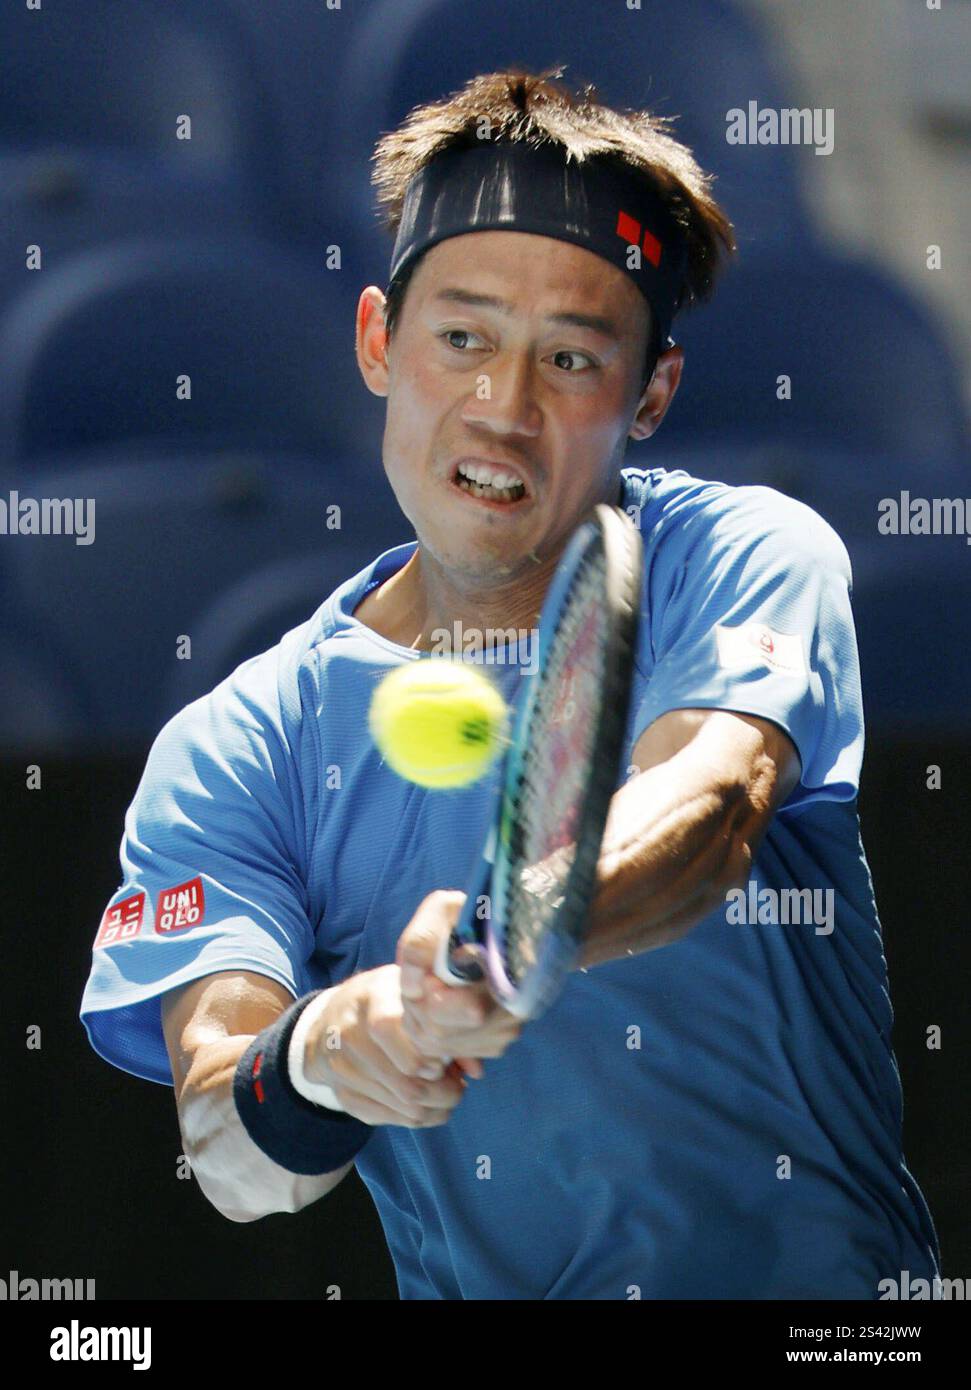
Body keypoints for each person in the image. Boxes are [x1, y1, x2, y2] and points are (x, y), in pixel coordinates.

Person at [80, 68, 940, 1300]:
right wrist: (331, 1053)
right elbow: (230, 1156)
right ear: (378, 340)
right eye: (463, 339)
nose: (502, 411)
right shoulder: (237, 745)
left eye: (572, 360)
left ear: (651, 394)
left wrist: (509, 935)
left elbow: (710, 805)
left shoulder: (744, 554)